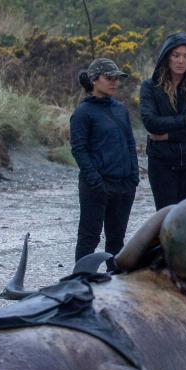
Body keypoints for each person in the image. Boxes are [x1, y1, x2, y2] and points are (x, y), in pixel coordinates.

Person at [70, 58, 139, 269]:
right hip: (96, 185)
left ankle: (114, 280)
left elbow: (130, 144)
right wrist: (96, 182)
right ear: (94, 80)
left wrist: (133, 177)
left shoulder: (121, 110)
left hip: (124, 185)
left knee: (117, 239)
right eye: (109, 78)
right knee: (89, 237)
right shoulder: (83, 113)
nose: (114, 82)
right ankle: (80, 279)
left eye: (117, 78)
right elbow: (78, 149)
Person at [140, 32, 186, 210]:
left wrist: (167, 136)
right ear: (167, 57)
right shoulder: (150, 87)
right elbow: (151, 123)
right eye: (176, 55)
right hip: (161, 162)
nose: (181, 61)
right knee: (166, 216)